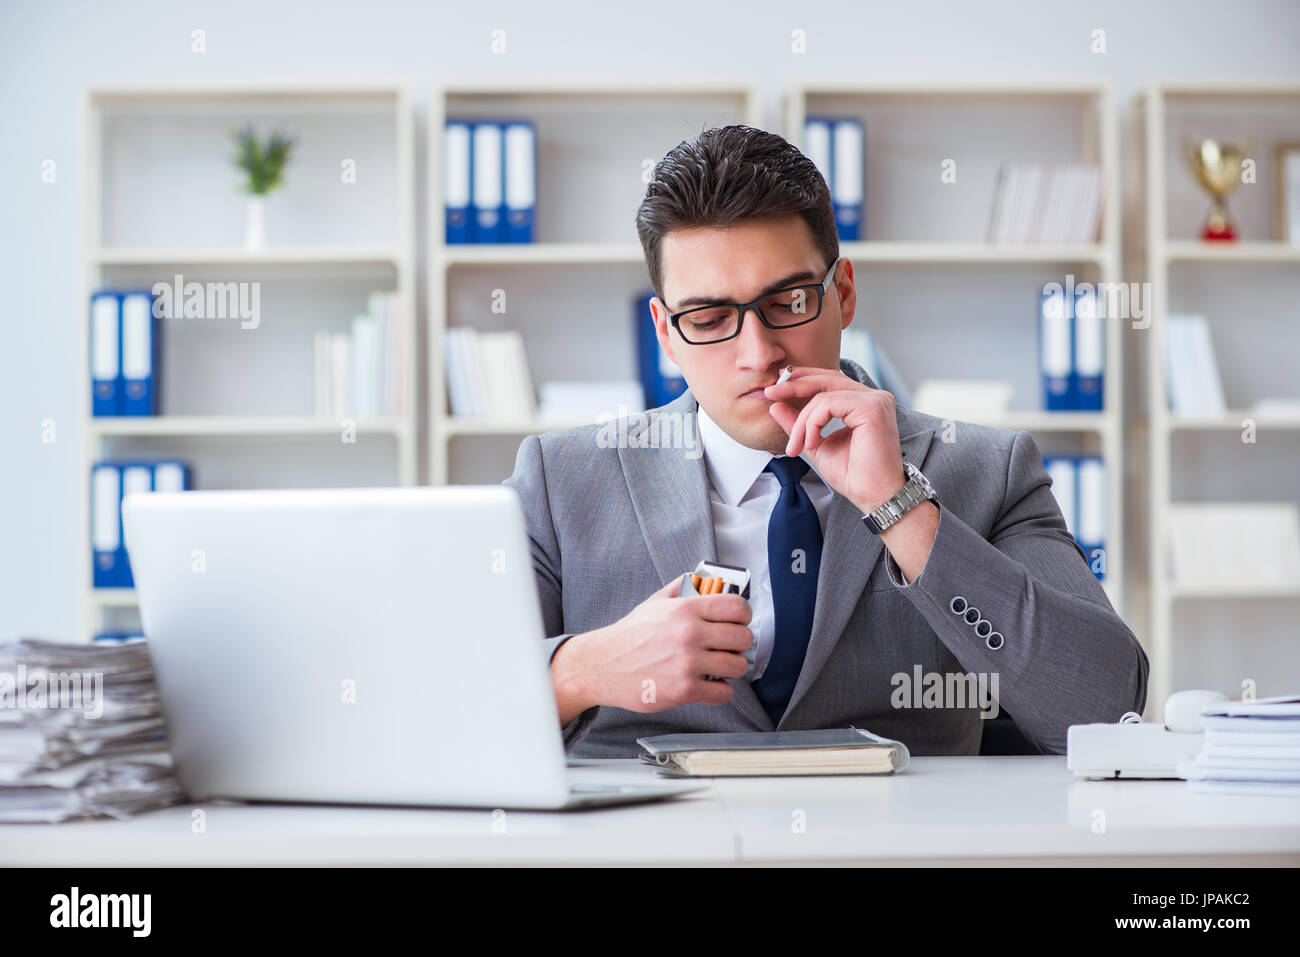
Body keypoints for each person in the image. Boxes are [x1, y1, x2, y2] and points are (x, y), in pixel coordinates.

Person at [503, 124, 1147, 758]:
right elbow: (430, 708)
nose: (758, 354)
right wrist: (580, 671)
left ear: (842, 293)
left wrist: (899, 507)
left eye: (786, 303)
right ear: (667, 334)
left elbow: (1104, 709)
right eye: (709, 319)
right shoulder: (561, 482)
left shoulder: (987, 471)